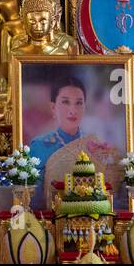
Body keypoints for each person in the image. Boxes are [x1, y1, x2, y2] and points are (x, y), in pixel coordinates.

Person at [27, 74, 88, 209]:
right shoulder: (40, 145)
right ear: (53, 108)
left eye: (79, 103)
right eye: (66, 102)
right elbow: (35, 199)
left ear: (85, 107)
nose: (73, 110)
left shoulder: (93, 145)